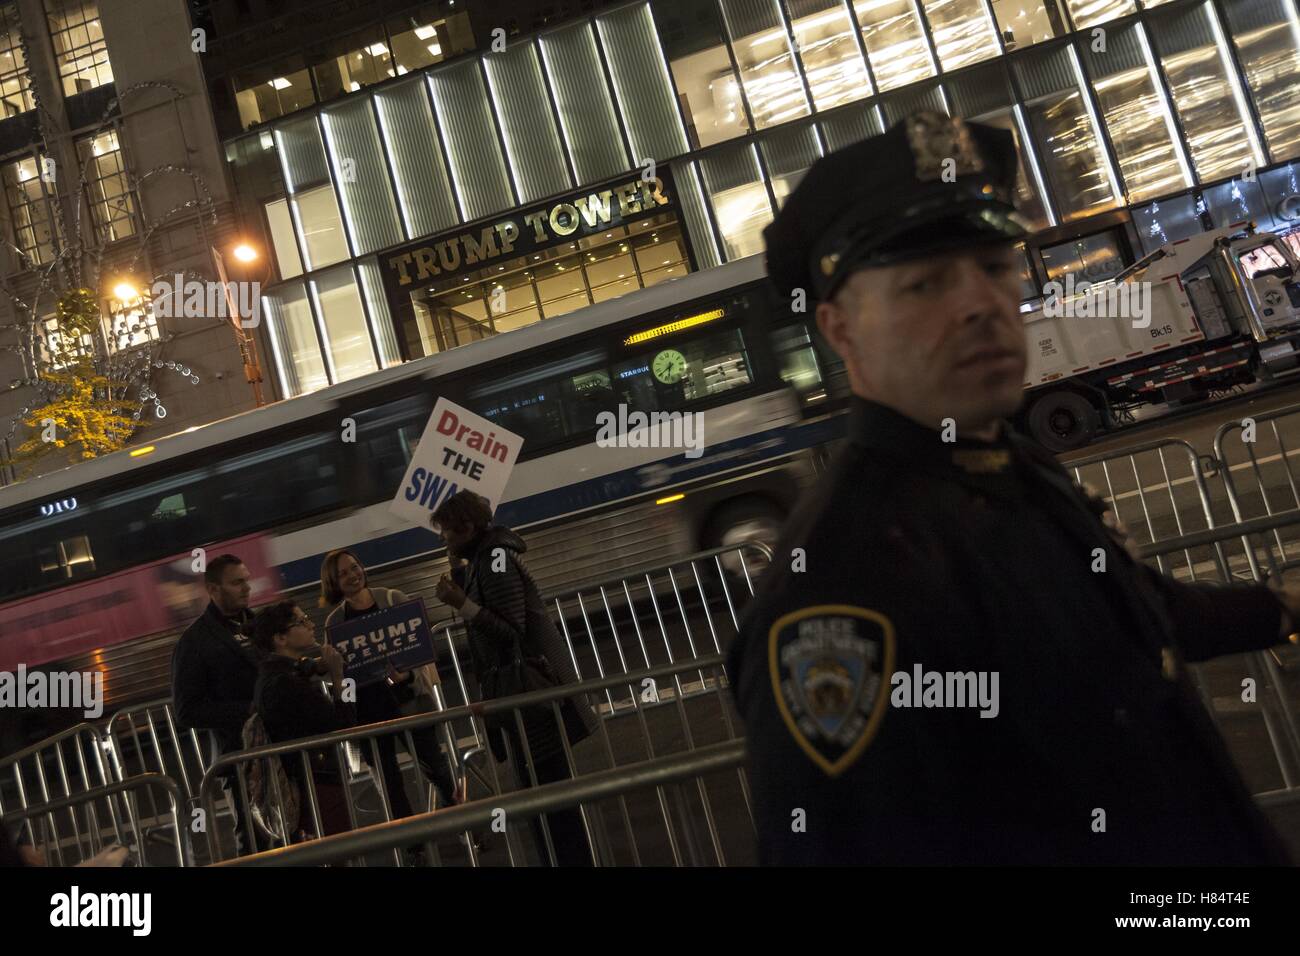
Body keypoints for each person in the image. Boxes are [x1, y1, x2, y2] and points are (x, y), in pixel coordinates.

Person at [727, 111, 1299, 865]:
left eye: (995, 267)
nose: (979, 304)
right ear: (840, 329)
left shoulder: (1016, 463)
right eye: (925, 282)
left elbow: (1134, 614)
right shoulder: (838, 596)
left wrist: (1282, 608)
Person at [432, 490, 598, 866]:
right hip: (522, 694)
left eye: (446, 531)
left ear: (467, 527)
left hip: (532, 694)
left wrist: (463, 604)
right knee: (539, 793)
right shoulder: (482, 558)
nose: (443, 538)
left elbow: (510, 629)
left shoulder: (495, 560)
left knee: (550, 795)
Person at [321, 549, 459, 817]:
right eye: (343, 573)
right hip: (369, 712)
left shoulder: (393, 599)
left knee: (436, 767)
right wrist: (345, 700)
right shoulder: (335, 622)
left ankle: (460, 820)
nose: (352, 575)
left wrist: (407, 675)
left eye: (354, 566)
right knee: (388, 781)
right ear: (333, 583)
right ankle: (413, 846)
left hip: (407, 700)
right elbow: (343, 674)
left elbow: (419, 649)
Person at [170, 553, 261, 851]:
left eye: (246, 580)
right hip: (239, 759)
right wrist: (247, 710)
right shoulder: (194, 641)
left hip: (282, 748)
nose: (246, 588)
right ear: (213, 589)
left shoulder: (262, 625)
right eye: (237, 583)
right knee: (255, 842)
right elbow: (186, 710)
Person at [251, 600, 355, 839]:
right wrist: (341, 678)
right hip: (316, 783)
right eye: (301, 621)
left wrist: (315, 666)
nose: (310, 624)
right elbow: (343, 723)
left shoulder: (272, 674)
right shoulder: (286, 683)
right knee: (339, 848)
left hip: (303, 781)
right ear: (281, 638)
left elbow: (300, 670)